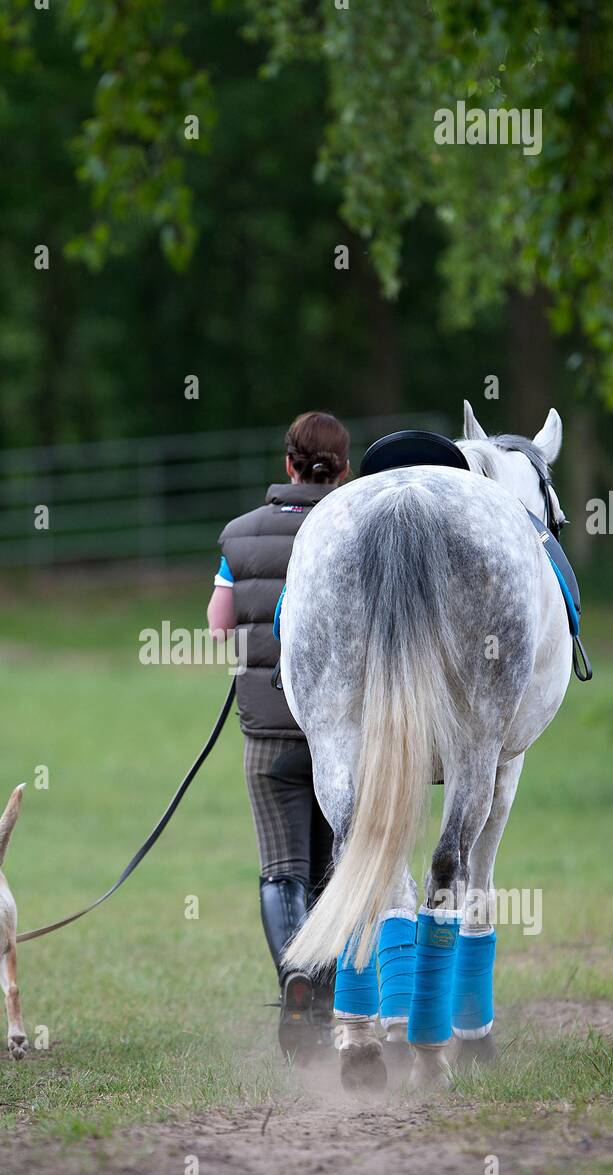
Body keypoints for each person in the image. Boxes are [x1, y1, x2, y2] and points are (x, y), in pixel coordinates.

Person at [207, 410, 351, 1058]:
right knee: (329, 872)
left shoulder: (240, 535)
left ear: (286, 463)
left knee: (281, 872)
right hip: (341, 735)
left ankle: (295, 980)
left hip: (267, 733)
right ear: (342, 468)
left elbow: (218, 623)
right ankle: (321, 995)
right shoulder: (356, 527)